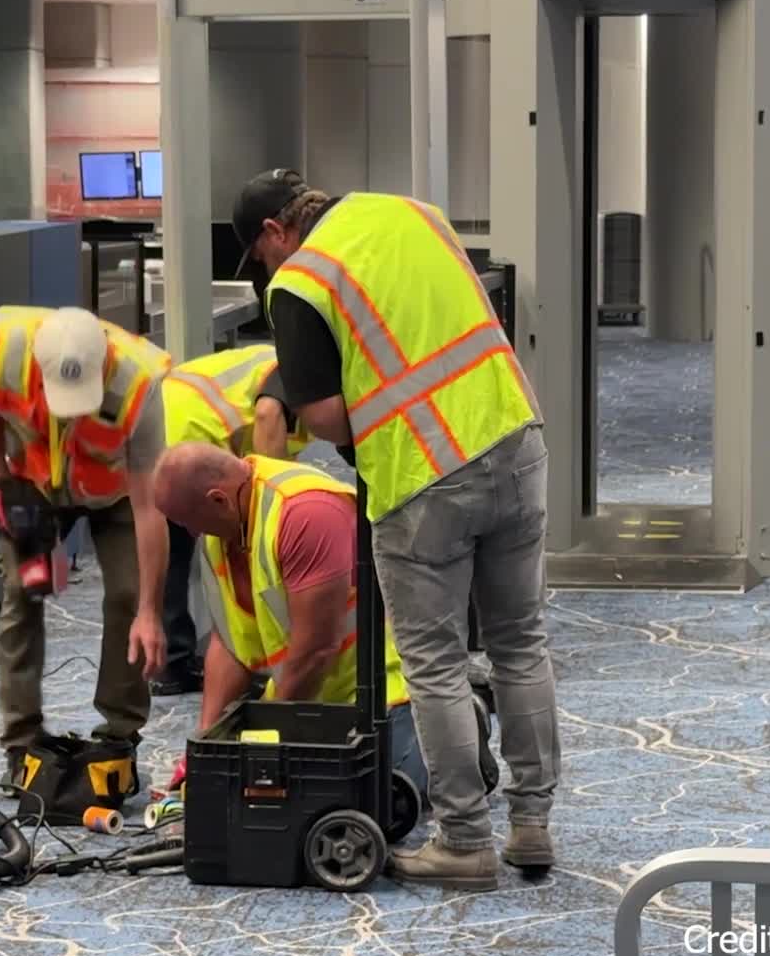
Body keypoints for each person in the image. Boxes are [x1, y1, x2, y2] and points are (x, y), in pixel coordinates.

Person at [234, 168, 560, 891]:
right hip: (513, 435)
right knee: (519, 643)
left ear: (273, 234)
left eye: (259, 259)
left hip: (423, 478)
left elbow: (324, 418)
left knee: (436, 665)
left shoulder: (301, 282)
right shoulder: (416, 213)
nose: (267, 272)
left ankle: (468, 841)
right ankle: (532, 824)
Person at [150, 443, 440, 799]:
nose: (190, 533)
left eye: (186, 522)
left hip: (386, 692)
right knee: (262, 798)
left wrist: (268, 750)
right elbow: (230, 644)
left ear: (218, 500)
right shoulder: (223, 533)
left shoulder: (305, 513)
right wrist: (205, 748)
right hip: (308, 699)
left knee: (375, 798)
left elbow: (317, 649)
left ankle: (456, 728)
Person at [0, 305, 171, 790]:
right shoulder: (3, 356)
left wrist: (150, 610)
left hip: (116, 494)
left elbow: (149, 509)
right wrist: (1, 482)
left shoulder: (138, 386)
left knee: (127, 598)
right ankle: (20, 742)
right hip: (35, 486)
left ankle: (120, 735)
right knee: (22, 593)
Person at [149, 344, 314, 697]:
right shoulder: (301, 363)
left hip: (167, 415)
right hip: (188, 427)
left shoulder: (282, 367)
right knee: (239, 543)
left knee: (174, 548)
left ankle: (172, 664)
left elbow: (276, 442)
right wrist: (271, 510)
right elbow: (269, 415)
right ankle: (247, 656)